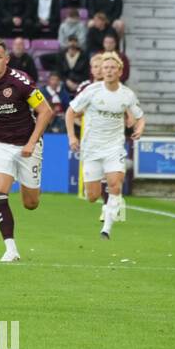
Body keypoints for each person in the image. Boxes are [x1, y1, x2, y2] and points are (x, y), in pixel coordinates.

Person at [0, 38, 55, 261]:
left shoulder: (21, 81)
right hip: (1, 145)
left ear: (6, 59)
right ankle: (11, 249)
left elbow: (45, 111)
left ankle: (27, 181)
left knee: (31, 204)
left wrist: (31, 142)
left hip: (28, 144)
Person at [65, 53, 145, 239]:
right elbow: (70, 112)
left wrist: (139, 129)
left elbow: (140, 116)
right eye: (105, 68)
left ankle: (106, 230)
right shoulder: (92, 91)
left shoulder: (127, 94)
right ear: (102, 71)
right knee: (91, 196)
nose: (108, 71)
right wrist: (71, 137)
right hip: (92, 148)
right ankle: (104, 195)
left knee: (115, 185)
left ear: (120, 71)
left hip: (114, 147)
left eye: (112, 68)